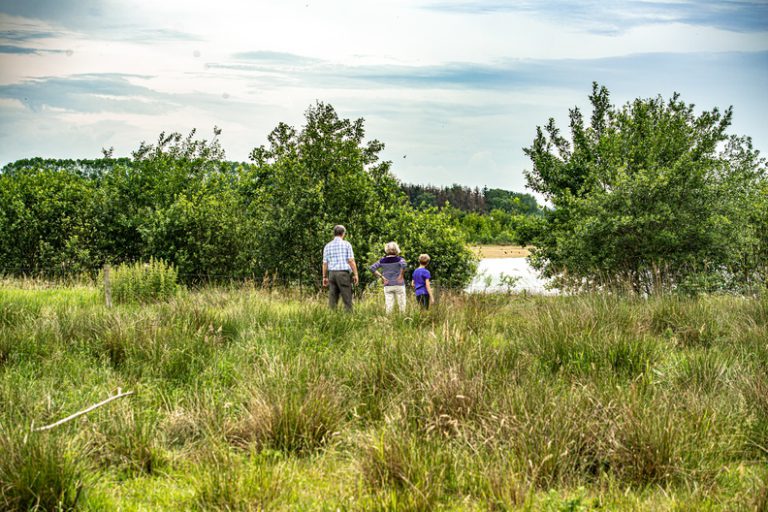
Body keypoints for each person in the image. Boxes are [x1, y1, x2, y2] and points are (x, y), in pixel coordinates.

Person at [322, 225, 359, 311]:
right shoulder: (346, 244)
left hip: (332, 274)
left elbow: (324, 263)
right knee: (347, 298)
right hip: (343, 273)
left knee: (332, 298)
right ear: (343, 233)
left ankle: (332, 318)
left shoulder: (327, 246)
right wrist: (356, 274)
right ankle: (348, 318)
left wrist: (324, 277)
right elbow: (351, 260)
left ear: (334, 234)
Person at [369, 242, 407, 314]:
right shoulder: (400, 259)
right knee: (402, 305)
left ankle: (388, 321)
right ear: (396, 249)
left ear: (387, 250)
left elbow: (372, 268)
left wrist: (382, 277)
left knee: (389, 306)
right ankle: (402, 320)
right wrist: (401, 276)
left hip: (387, 285)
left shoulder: (382, 260)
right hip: (399, 284)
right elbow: (404, 265)